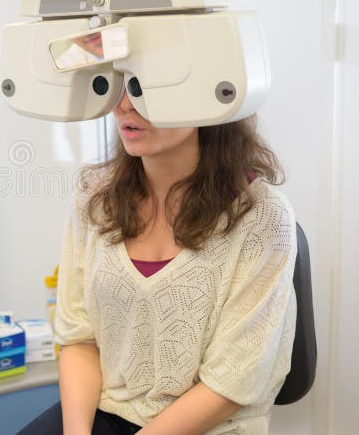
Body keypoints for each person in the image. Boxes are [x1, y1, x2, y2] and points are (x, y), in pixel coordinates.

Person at [19, 91, 296, 434]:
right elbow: (79, 338)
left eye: (143, 87)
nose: (124, 105)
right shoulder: (94, 198)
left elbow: (232, 381)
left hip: (213, 426)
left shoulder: (262, 216)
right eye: (120, 86)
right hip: (110, 412)